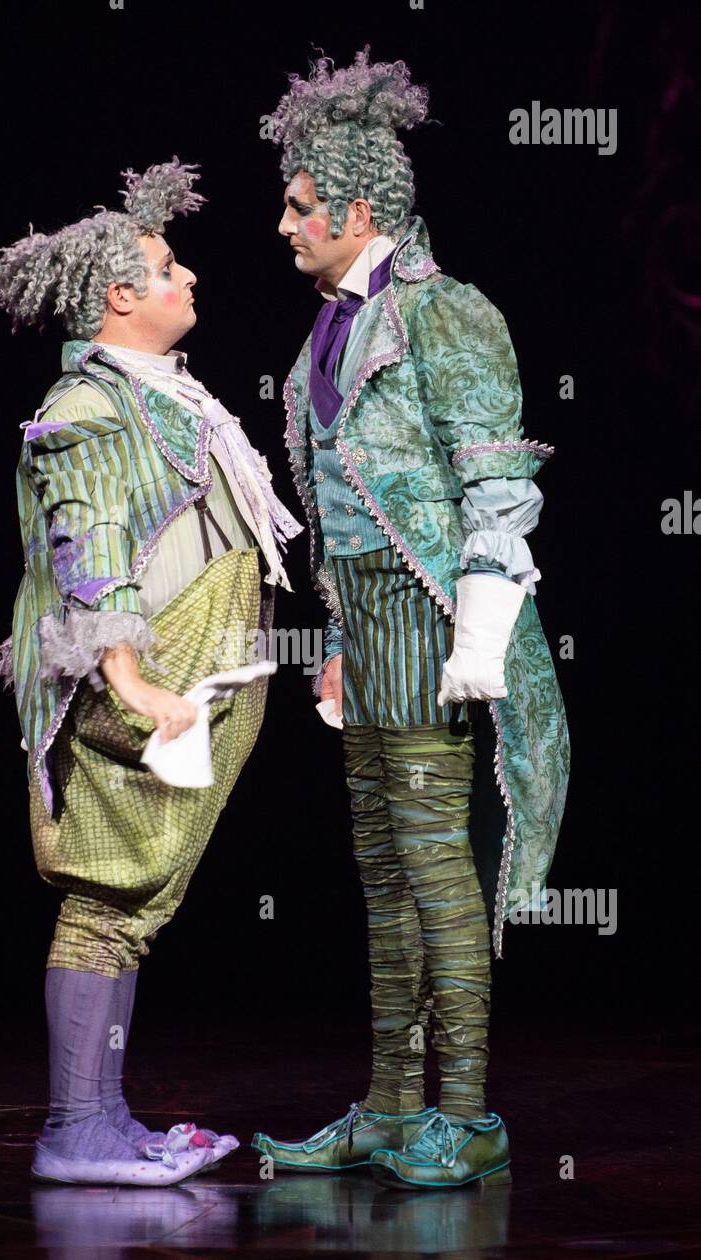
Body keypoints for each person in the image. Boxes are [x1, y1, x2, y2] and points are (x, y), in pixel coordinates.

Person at [252, 50, 570, 1188]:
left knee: (439, 870)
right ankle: (389, 1110)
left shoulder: (447, 313)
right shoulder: (320, 339)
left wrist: (480, 631)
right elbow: (339, 508)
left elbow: (491, 486)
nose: (283, 226)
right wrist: (337, 637)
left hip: (436, 620)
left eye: (298, 207)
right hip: (371, 625)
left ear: (357, 209)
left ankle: (467, 1116)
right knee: (382, 870)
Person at [0, 159, 302, 1186]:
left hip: (191, 668)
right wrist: (127, 678)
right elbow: (87, 541)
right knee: (109, 900)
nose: (190, 278)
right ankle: (78, 1127)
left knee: (134, 906)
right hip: (149, 674)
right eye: (169, 268)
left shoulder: (159, 394)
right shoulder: (87, 401)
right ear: (121, 295)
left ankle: (99, 1120)